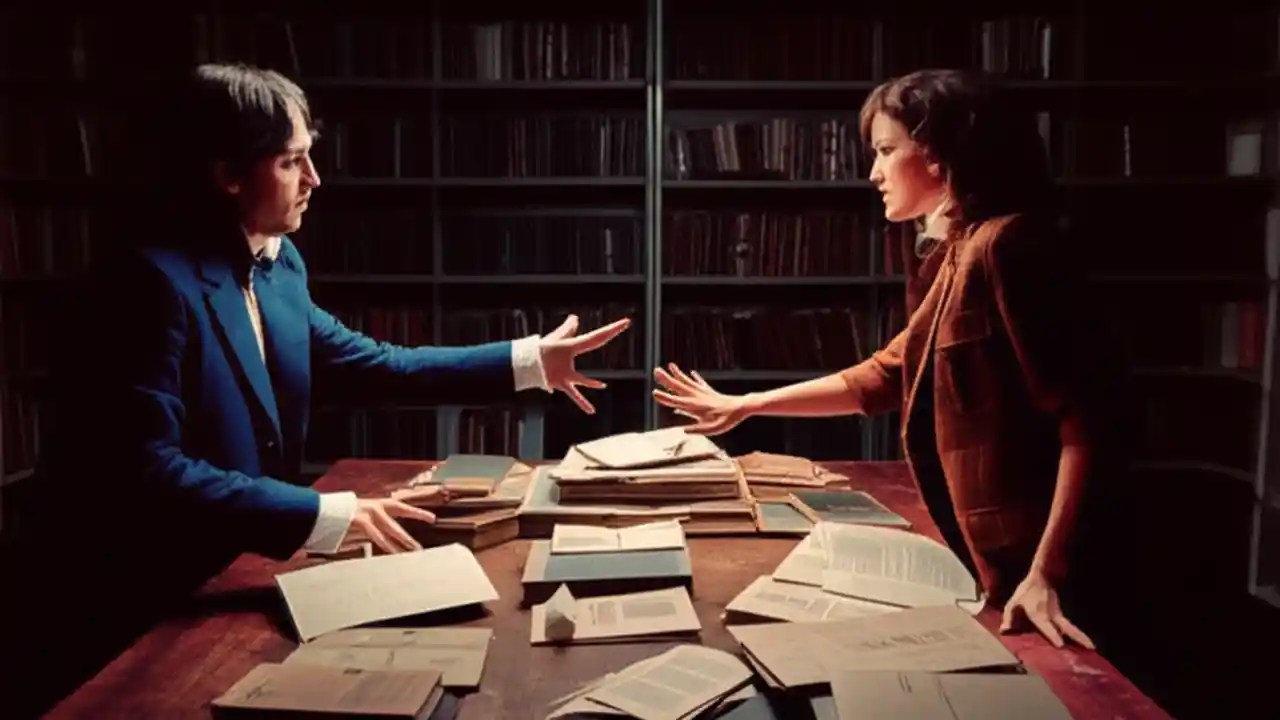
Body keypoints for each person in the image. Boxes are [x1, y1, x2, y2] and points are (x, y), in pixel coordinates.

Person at [0, 63, 629, 717]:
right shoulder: (145, 283)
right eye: (292, 162)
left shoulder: (277, 262)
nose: (315, 180)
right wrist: (324, 515)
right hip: (122, 613)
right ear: (227, 174)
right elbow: (142, 469)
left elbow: (371, 364)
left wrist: (530, 361)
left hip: (226, 582)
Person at [653, 69, 1134, 652]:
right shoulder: (962, 247)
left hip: (1045, 577)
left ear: (940, 156)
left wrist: (1047, 573)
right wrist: (747, 405)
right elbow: (888, 373)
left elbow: (1088, 422)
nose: (874, 173)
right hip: (995, 566)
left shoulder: (1007, 246)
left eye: (886, 151)